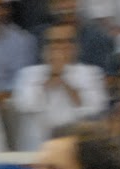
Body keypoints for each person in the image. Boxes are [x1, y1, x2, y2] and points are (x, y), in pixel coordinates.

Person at [12, 22, 108, 150]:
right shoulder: (28, 74)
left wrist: (64, 80)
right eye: (55, 42)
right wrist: (49, 79)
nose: (60, 47)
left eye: (67, 42)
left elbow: (94, 109)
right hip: (37, 146)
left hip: (78, 145)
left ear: (76, 46)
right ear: (44, 47)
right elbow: (24, 105)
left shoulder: (91, 73)